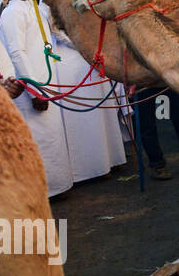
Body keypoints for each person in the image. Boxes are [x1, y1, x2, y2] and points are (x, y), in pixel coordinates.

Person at [0, 0, 74, 198]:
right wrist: (35, 92)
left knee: (52, 139)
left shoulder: (32, 7)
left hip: (46, 84)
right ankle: (44, 192)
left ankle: (58, 187)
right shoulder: (12, 12)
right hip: (31, 88)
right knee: (39, 141)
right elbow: (16, 53)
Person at [50, 21, 127, 182]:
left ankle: (111, 158)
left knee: (103, 112)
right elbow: (55, 30)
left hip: (91, 55)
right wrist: (84, 45)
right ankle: (91, 167)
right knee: (86, 120)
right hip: (72, 57)